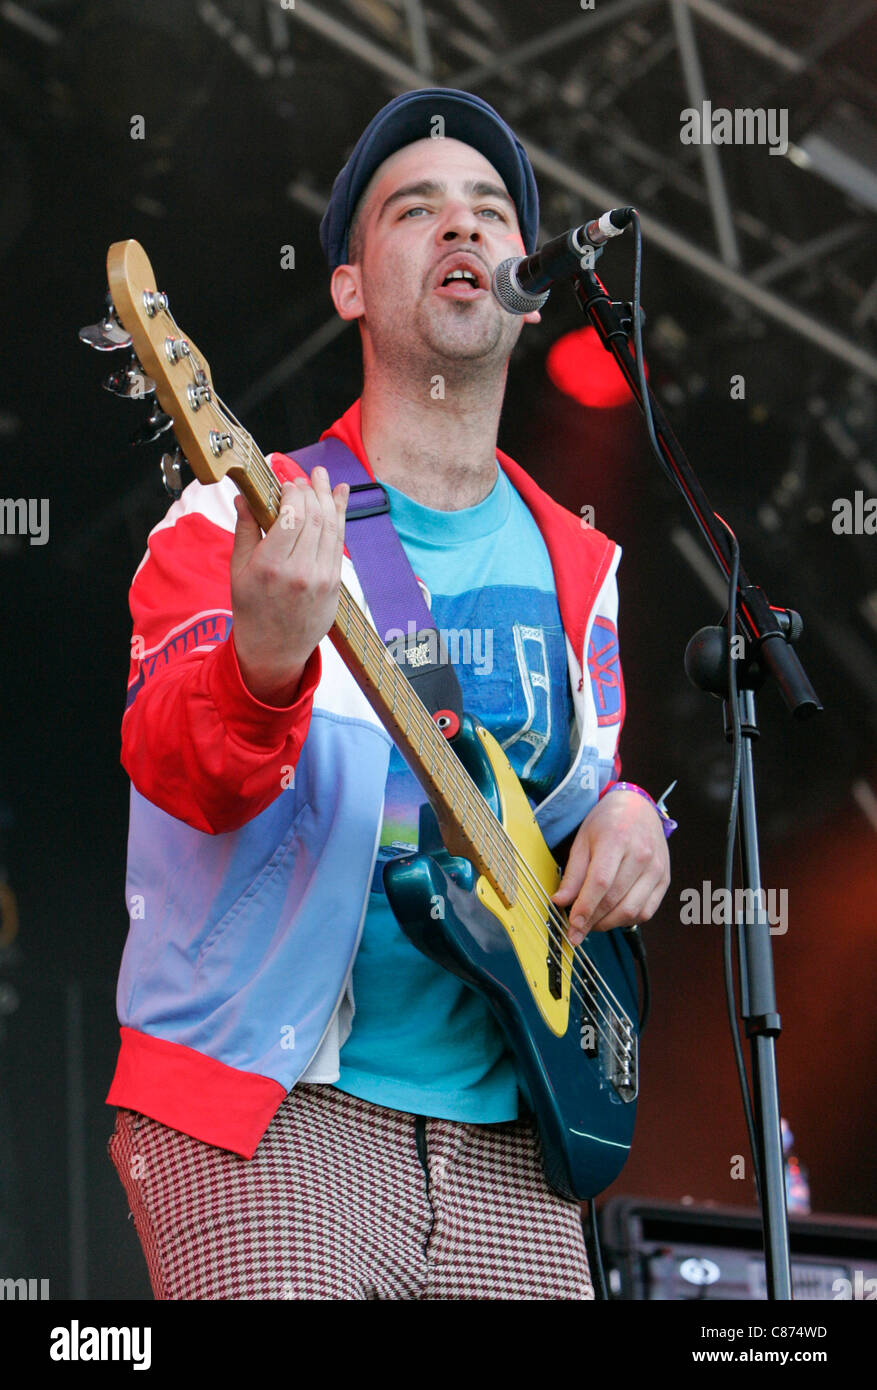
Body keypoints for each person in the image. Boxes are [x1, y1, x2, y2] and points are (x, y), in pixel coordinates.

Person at [106, 87, 671, 1301]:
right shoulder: (235, 517)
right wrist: (265, 663)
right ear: (351, 287)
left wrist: (636, 819)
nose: (461, 229)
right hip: (276, 1120)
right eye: (416, 210)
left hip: (514, 1155)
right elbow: (174, 766)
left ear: (527, 275)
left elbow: (568, 797)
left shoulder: (582, 565)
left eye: (488, 212)